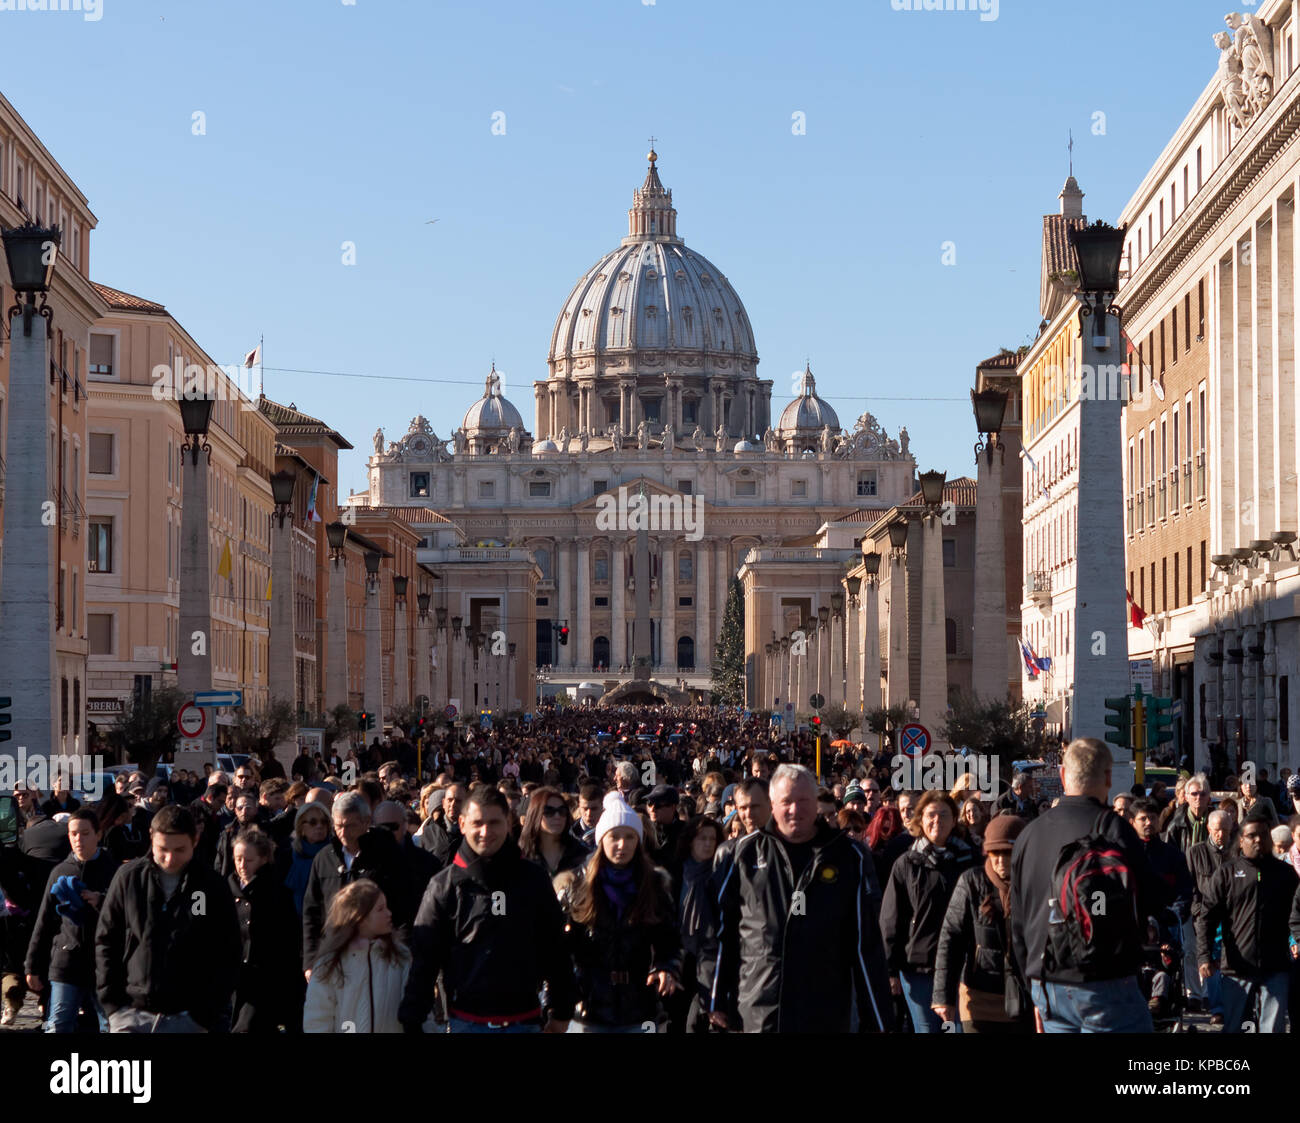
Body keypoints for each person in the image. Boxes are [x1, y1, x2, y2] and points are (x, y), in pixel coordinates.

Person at [709, 764, 893, 1033]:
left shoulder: (848, 856)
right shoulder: (745, 854)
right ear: (773, 804)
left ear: (816, 804)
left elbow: (866, 946)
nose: (794, 810)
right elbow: (723, 933)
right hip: (760, 1013)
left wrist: (878, 1021)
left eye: (803, 801)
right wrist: (716, 999)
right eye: (786, 802)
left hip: (824, 1013)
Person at [1009, 738, 1166, 1034]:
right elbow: (1152, 897)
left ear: (1063, 775)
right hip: (1105, 980)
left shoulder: (1029, 835)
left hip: (1047, 981)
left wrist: (1031, 987)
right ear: (1108, 777)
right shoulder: (1113, 829)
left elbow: (1018, 922)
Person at [399, 785, 576, 1033]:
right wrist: (413, 1018)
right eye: (477, 823)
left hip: (524, 1021)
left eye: (494, 823)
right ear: (462, 824)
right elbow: (425, 960)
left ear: (508, 822)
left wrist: (561, 1009)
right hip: (467, 1021)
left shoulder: (533, 879)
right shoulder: (444, 886)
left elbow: (555, 948)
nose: (485, 832)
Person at [94, 805, 241, 1032]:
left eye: (180, 849)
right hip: (132, 1013)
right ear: (152, 838)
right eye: (162, 849)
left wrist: (208, 1011)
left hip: (192, 1017)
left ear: (195, 840)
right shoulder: (129, 878)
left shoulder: (209, 885)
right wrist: (113, 1005)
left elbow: (227, 950)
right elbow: (106, 940)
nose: (170, 858)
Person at [565, 792, 682, 1032]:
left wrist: (666, 966)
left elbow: (669, 938)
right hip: (589, 1006)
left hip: (639, 1005)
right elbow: (560, 947)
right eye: (615, 837)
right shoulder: (579, 884)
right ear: (602, 840)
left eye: (630, 837)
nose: (622, 845)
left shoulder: (654, 885)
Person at [880, 791, 979, 1033]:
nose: (937, 821)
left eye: (944, 815)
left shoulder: (969, 859)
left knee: (958, 1029)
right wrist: (890, 970)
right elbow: (892, 919)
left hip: (963, 966)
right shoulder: (907, 863)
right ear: (920, 819)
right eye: (931, 815)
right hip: (919, 968)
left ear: (954, 820)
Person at [1196, 812, 1300, 1033]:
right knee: (1236, 1027)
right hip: (1237, 968)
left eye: (1263, 835)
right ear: (1241, 839)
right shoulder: (1226, 873)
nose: (1258, 840)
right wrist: (1204, 955)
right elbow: (1207, 917)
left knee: (1273, 1028)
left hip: (1276, 966)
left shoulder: (1286, 875)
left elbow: (1297, 914)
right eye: (1252, 835)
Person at [932, 812, 1032, 1034]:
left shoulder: (1033, 883)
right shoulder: (972, 882)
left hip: (1026, 997)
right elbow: (951, 939)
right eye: (994, 853)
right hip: (979, 996)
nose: (1000, 860)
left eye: (1007, 853)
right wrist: (943, 996)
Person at [24, 808, 119, 1033]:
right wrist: (32, 965)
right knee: (58, 1024)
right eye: (73, 833)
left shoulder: (114, 870)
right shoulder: (60, 872)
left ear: (98, 834)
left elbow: (128, 914)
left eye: (85, 833)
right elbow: (45, 920)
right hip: (67, 959)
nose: (78, 839)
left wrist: (101, 900)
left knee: (111, 1026)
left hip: (104, 963)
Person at [304, 880, 411, 1033]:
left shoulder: (400, 957)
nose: (389, 913)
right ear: (360, 917)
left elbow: (419, 1011)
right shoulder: (329, 964)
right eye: (380, 909)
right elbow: (317, 1019)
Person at [228, 827, 303, 1033]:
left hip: (267, 979)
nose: (242, 865)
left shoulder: (277, 892)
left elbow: (289, 939)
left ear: (262, 859)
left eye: (248, 860)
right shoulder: (227, 889)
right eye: (238, 859)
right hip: (236, 977)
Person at [675, 816, 723, 1033]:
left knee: (697, 1021)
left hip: (710, 957)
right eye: (702, 838)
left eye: (712, 839)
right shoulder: (676, 872)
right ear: (690, 840)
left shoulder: (721, 874)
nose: (707, 844)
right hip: (679, 955)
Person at [518, 787, 589, 881]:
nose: (557, 816)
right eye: (548, 811)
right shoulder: (521, 855)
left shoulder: (581, 854)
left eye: (562, 811)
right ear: (535, 814)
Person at [1163, 772, 1213, 857]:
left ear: (1208, 797)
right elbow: (1168, 857)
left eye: (1203, 794)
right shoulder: (1176, 825)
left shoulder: (1217, 823)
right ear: (1186, 797)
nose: (1198, 798)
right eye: (1194, 794)